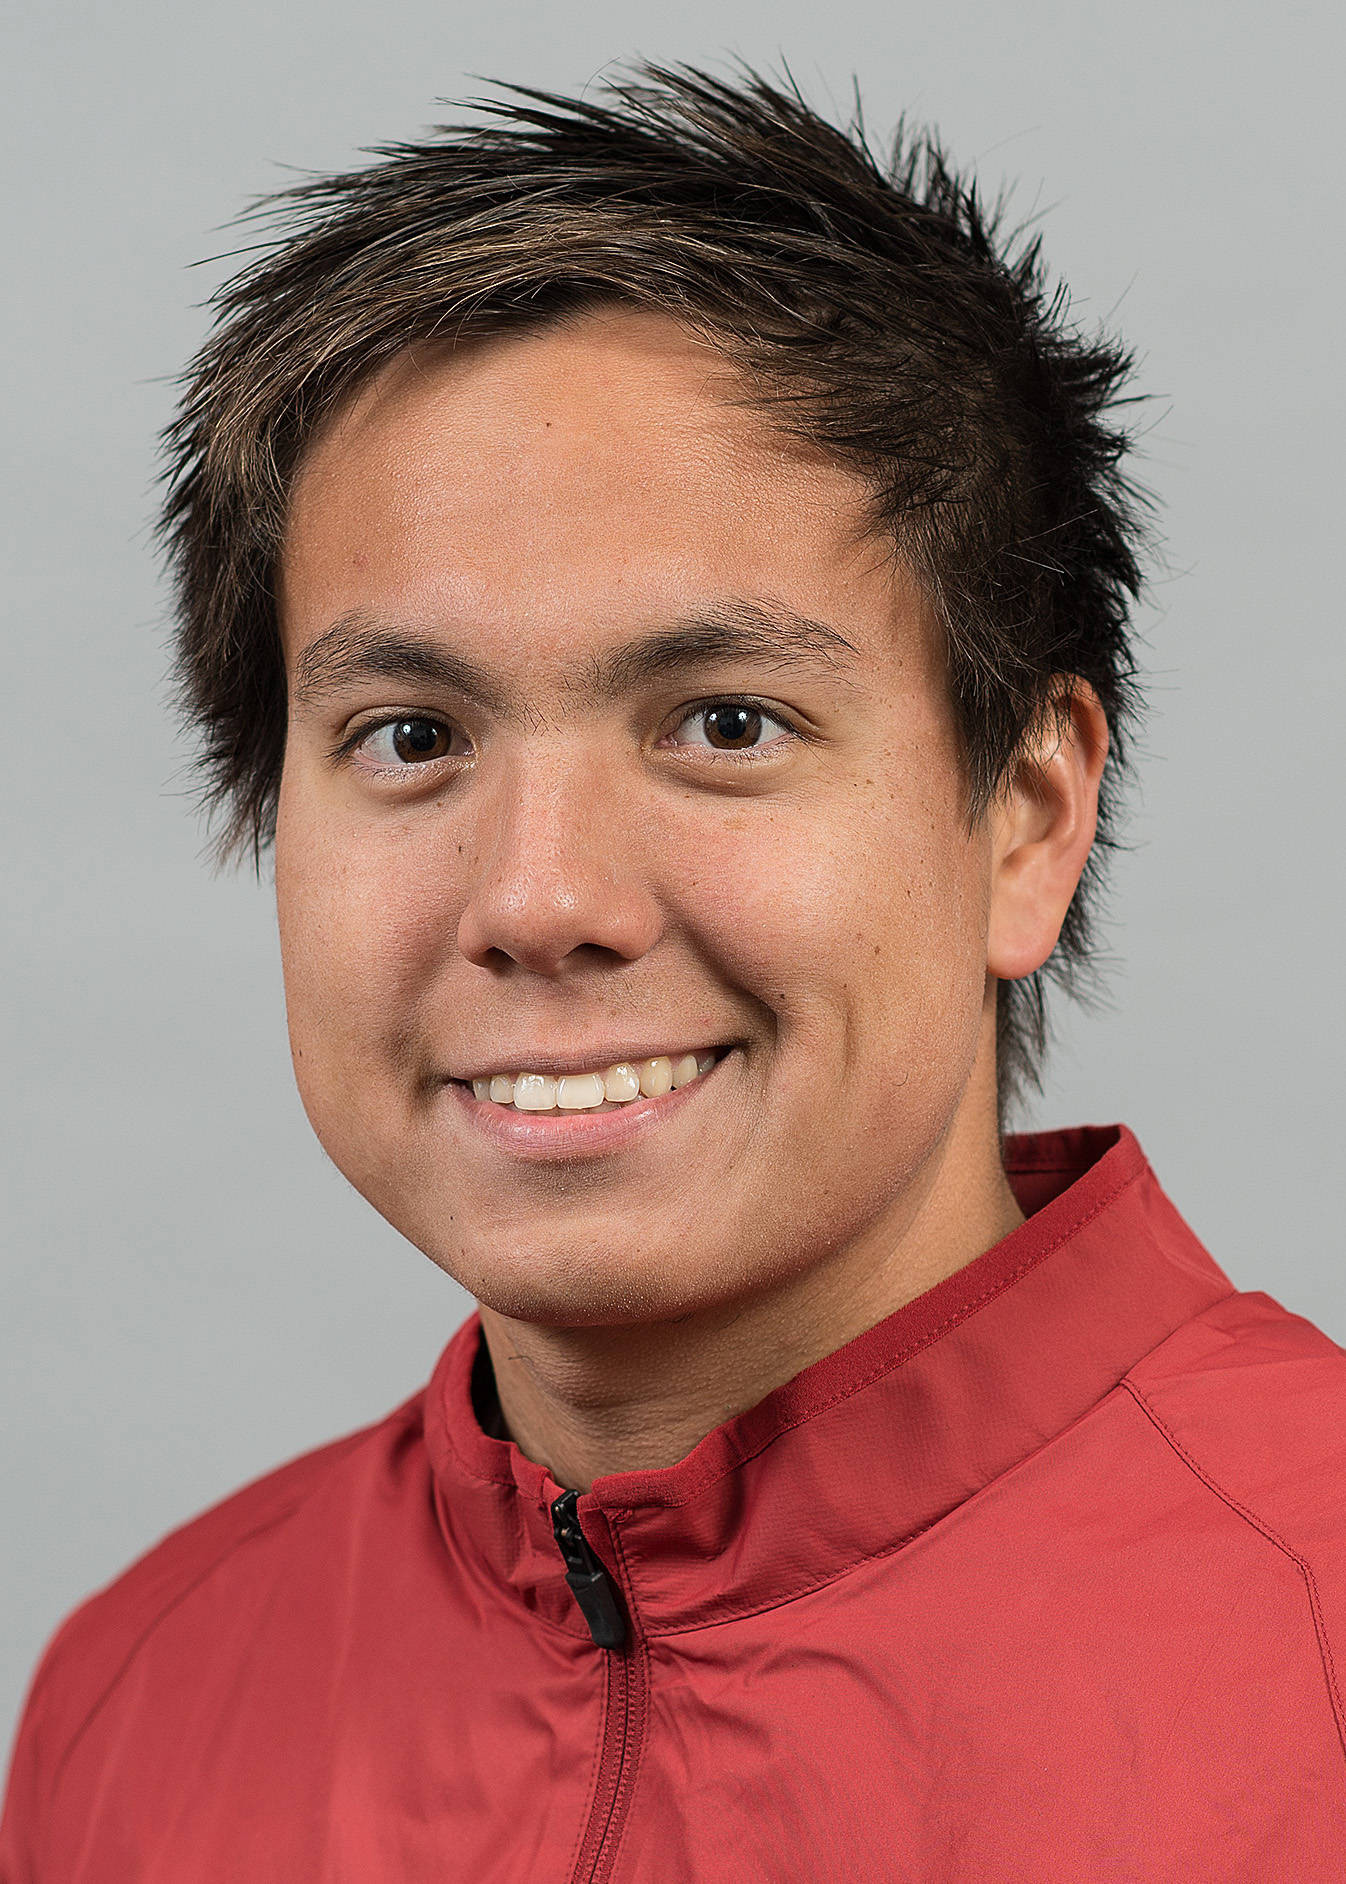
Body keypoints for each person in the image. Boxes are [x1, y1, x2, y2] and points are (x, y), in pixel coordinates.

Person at [3, 61, 1343, 1882]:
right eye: (408, 738)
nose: (539, 897)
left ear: (1023, 818)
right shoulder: (139, 1703)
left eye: (724, 722)